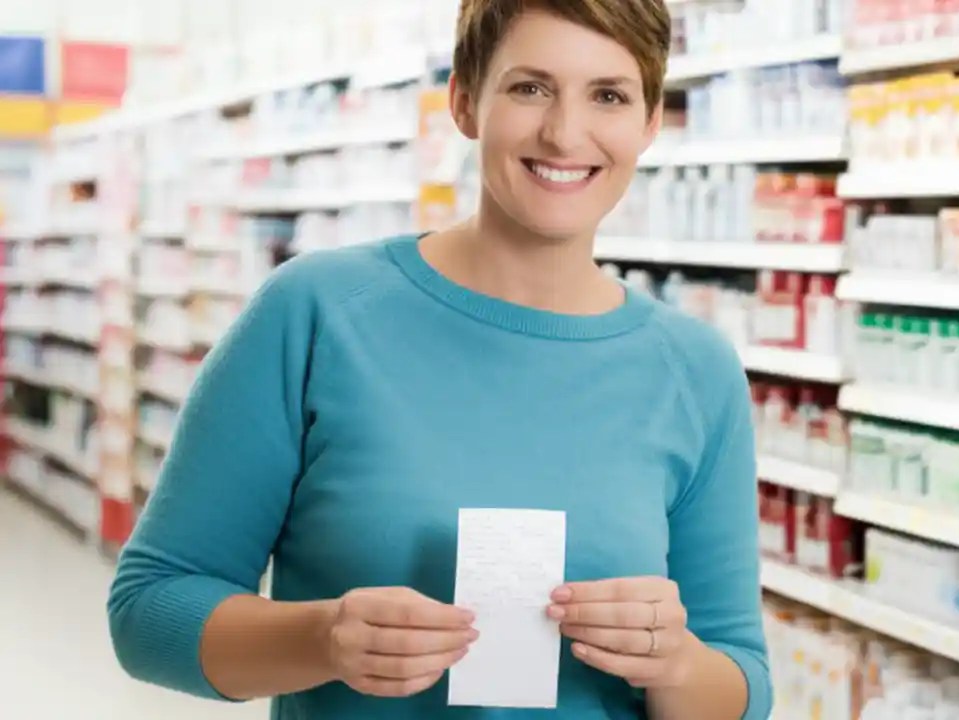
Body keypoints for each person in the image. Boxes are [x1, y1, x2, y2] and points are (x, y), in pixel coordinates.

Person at [106, 0, 771, 718]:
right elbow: (149, 609)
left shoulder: (696, 371)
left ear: (649, 122)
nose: (564, 132)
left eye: (608, 96)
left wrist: (675, 664)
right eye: (530, 88)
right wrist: (323, 639)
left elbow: (743, 683)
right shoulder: (318, 313)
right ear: (464, 101)